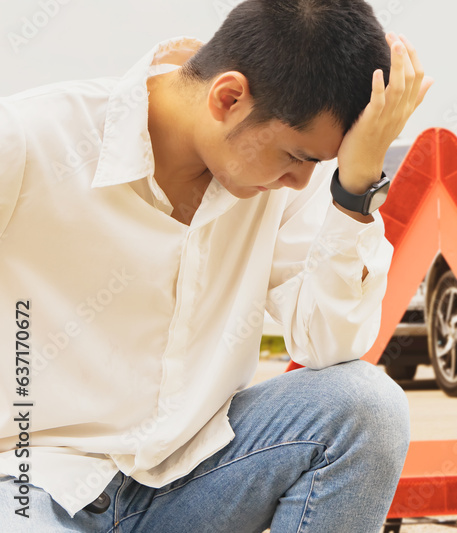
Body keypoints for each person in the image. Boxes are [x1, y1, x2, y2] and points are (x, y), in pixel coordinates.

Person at [0, 0, 433, 531]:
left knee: (366, 406)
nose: (302, 181)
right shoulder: (28, 138)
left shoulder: (286, 180)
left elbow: (329, 343)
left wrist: (355, 187)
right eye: (298, 157)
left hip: (191, 478)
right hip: (30, 483)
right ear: (228, 97)